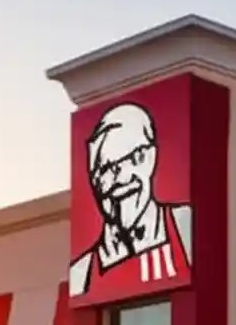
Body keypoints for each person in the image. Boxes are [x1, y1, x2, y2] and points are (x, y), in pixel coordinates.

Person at [69, 102, 192, 299]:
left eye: (135, 157)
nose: (120, 177)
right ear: (93, 182)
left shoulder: (186, 228)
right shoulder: (81, 275)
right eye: (106, 168)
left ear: (151, 158)